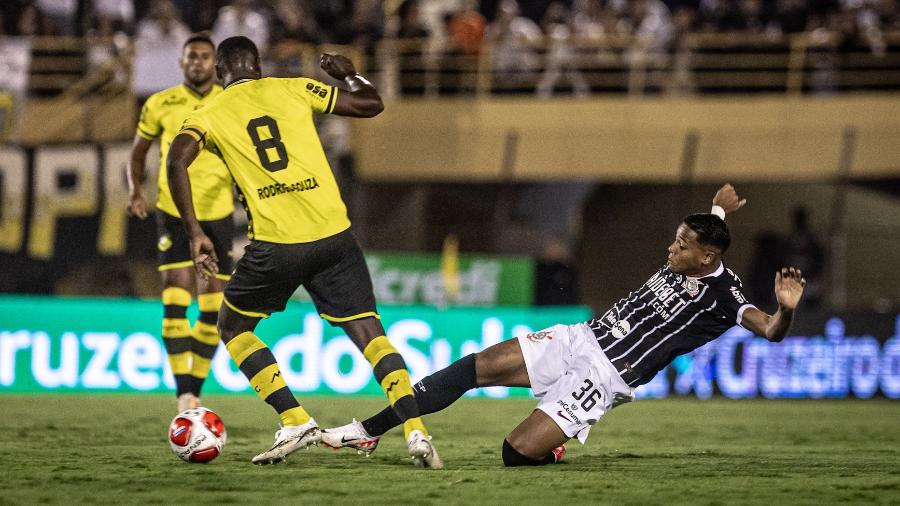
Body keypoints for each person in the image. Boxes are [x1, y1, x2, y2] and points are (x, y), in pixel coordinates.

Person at [322, 184, 807, 467]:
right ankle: (369, 429)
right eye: (674, 240)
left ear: (706, 257)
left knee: (514, 454)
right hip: (581, 337)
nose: (671, 250)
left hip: (606, 377)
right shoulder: (698, 249)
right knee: (474, 367)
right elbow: (709, 232)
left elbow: (769, 329)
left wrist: (785, 309)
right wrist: (719, 207)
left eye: (681, 246)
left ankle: (551, 447)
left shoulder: (725, 295)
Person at [165, 36, 440, 468]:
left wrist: (195, 232)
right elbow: (371, 103)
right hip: (335, 237)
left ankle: (295, 420)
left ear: (219, 73)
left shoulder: (208, 113)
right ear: (258, 65)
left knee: (232, 327)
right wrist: (350, 73)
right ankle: (416, 431)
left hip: (277, 244)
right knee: (372, 335)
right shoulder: (295, 87)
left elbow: (175, 161)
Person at [127, 33, 231, 414]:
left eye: (204, 56)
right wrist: (134, 191)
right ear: (181, 62)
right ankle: (183, 394)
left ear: (214, 64)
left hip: (218, 212)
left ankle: (194, 392)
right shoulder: (160, 103)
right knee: (176, 295)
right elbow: (137, 153)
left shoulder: (229, 100)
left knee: (213, 306)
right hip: (172, 211)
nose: (197, 62)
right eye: (192, 56)